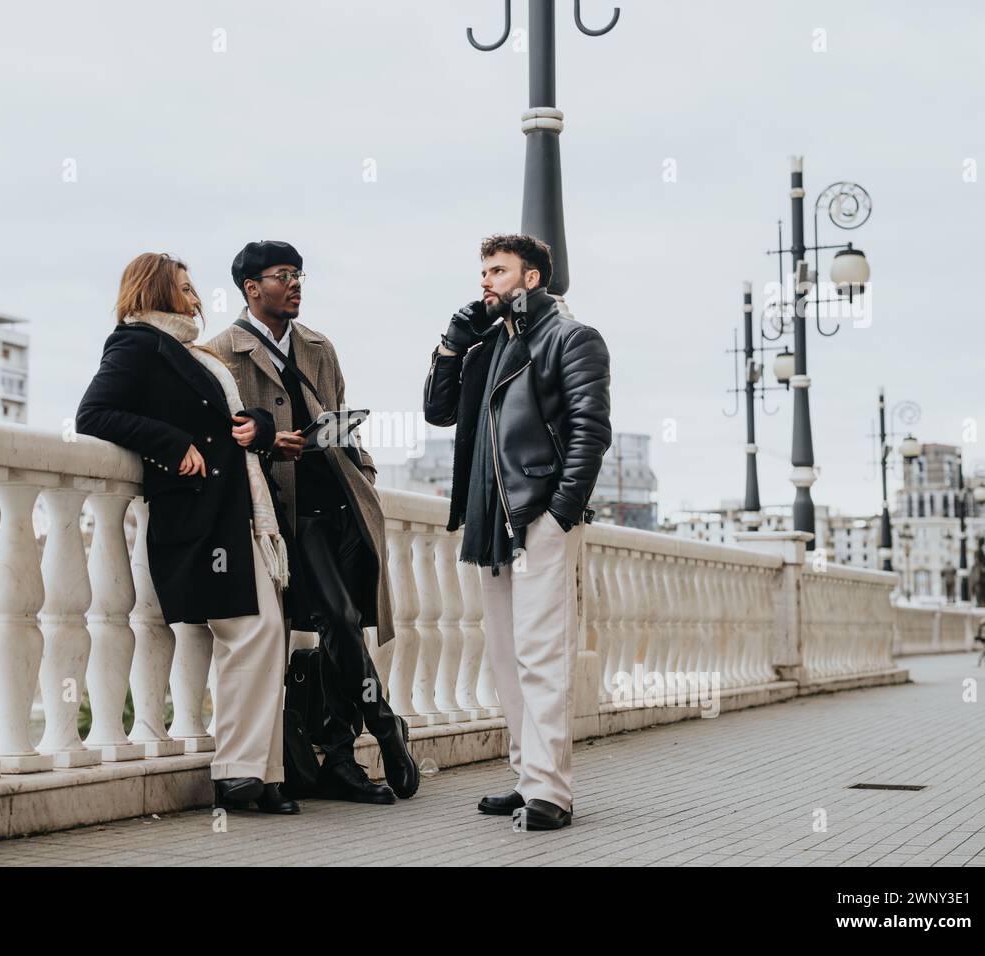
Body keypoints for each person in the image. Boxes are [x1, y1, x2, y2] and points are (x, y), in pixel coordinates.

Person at [76, 252, 298, 814]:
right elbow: (94, 415)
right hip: (198, 518)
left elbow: (228, 422)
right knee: (252, 632)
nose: (195, 295)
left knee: (268, 634)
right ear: (157, 290)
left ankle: (263, 773)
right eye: (184, 285)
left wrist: (261, 426)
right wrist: (172, 445)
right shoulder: (134, 344)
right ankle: (239, 771)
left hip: (236, 510)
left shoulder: (190, 352)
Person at [207, 239, 419, 805]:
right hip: (291, 515)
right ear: (252, 288)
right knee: (342, 620)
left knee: (338, 630)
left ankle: (342, 759)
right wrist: (274, 445)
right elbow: (224, 437)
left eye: (299, 274)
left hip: (346, 503)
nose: (296, 284)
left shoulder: (319, 347)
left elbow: (345, 424)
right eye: (283, 276)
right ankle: (384, 724)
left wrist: (365, 471)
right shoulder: (221, 353)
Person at [422, 234, 611, 831]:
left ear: (531, 278)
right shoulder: (489, 343)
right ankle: (526, 775)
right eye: (482, 270)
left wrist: (560, 512)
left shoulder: (571, 338)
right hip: (491, 521)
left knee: (540, 654)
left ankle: (551, 792)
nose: (485, 280)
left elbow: (590, 431)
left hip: (537, 517)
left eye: (498, 270)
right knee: (504, 657)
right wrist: (452, 345)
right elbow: (438, 410)